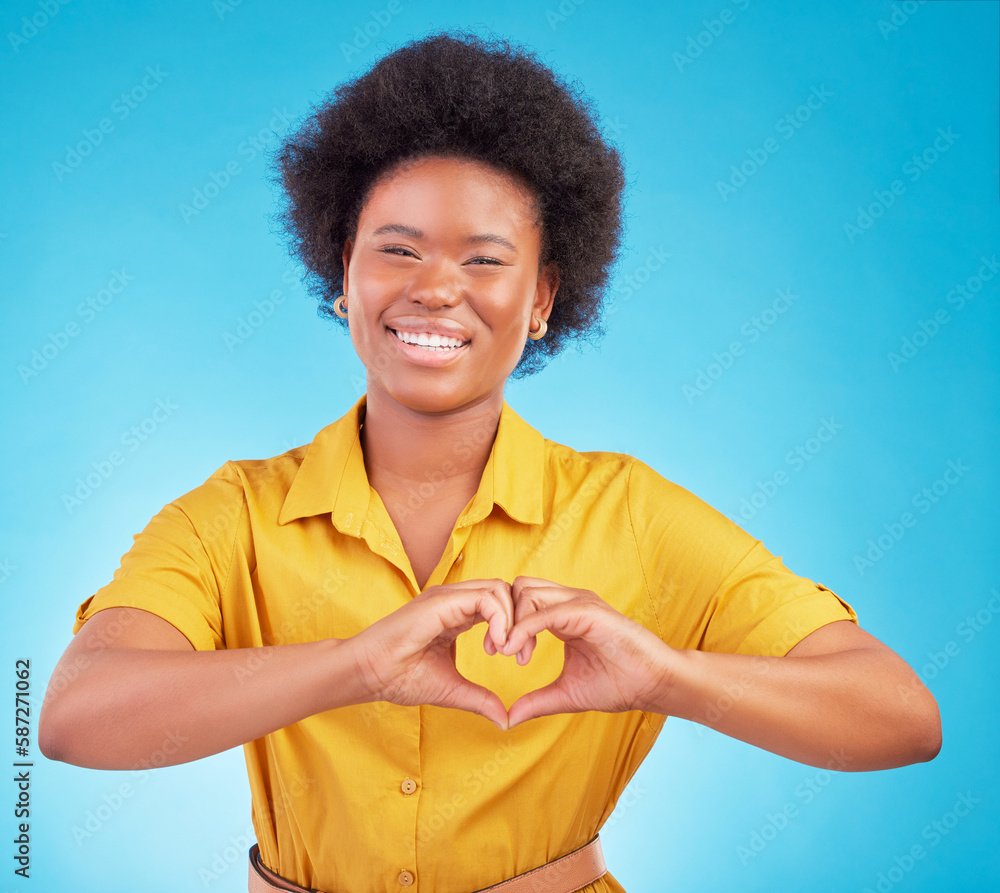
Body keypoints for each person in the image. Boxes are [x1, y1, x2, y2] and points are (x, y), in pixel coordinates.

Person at [39, 30, 941, 893]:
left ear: (543, 297)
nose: (436, 287)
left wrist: (668, 675)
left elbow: (900, 715)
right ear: (341, 270)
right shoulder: (231, 514)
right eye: (397, 249)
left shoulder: (632, 514)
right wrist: (356, 664)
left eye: (485, 259)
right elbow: (77, 716)